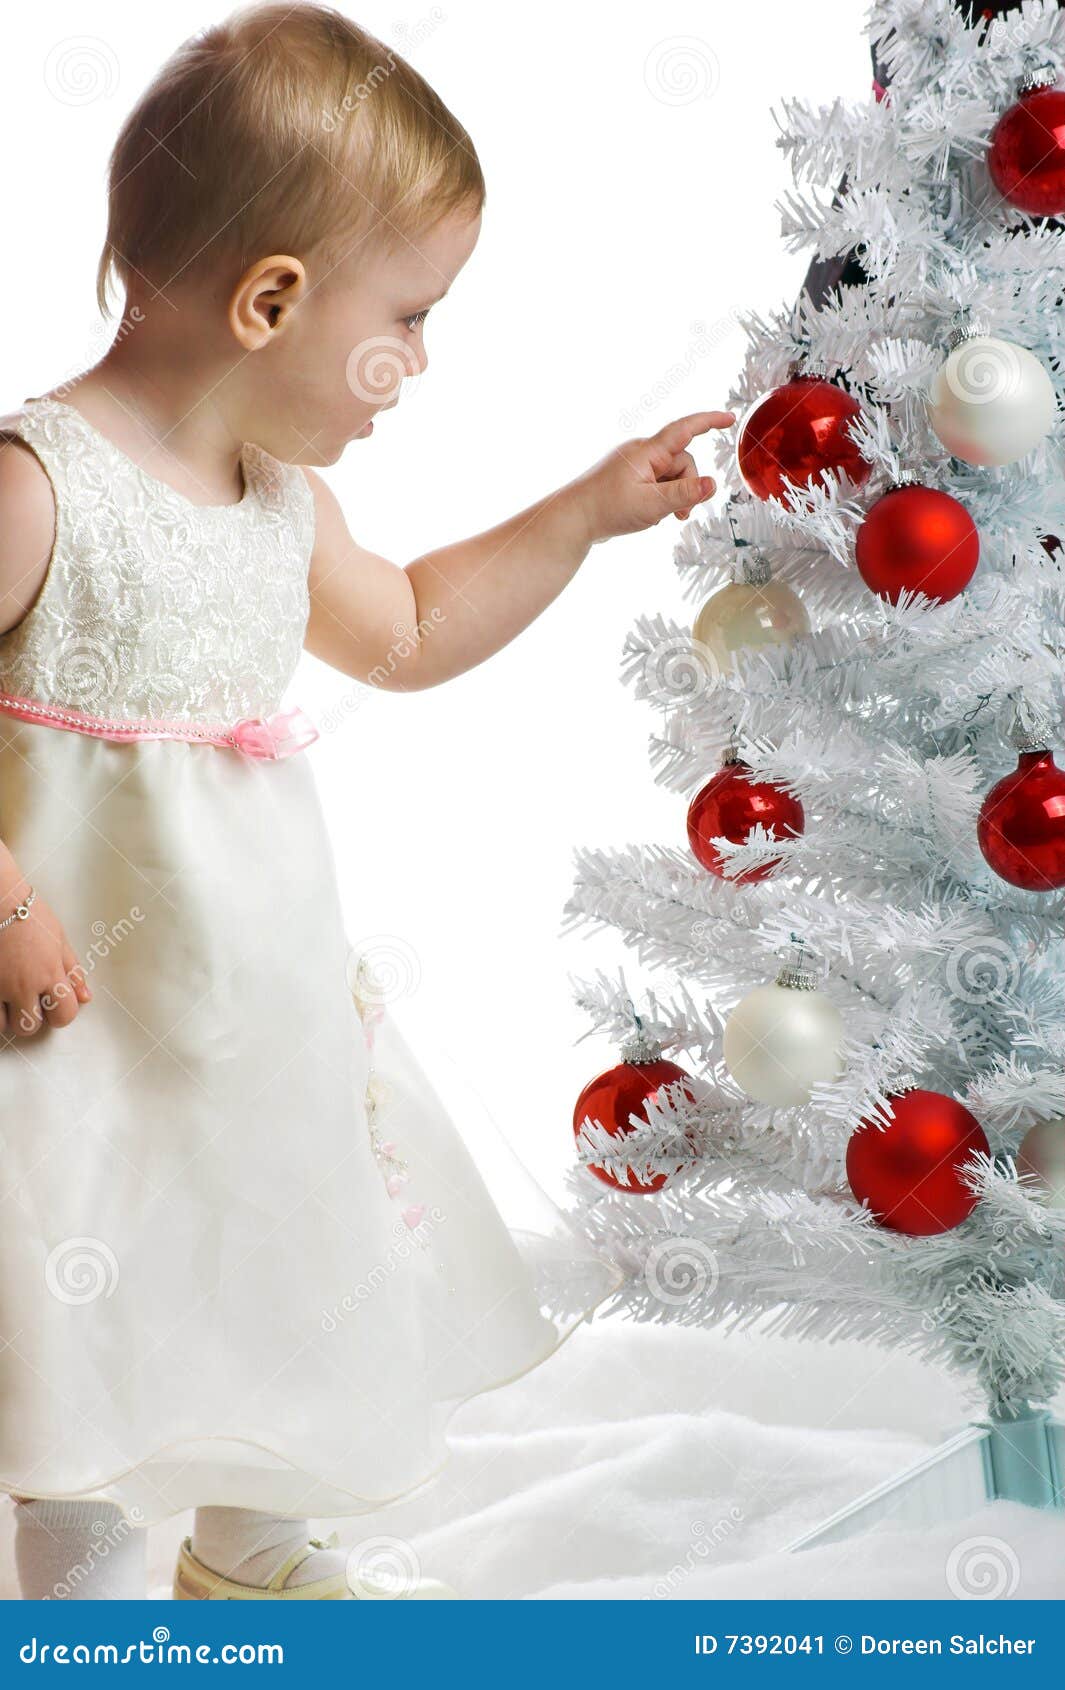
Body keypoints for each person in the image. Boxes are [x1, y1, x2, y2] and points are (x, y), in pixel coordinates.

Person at [0, 1, 733, 1600]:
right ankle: (78, 1588)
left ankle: (256, 1551)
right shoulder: (37, 484)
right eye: (409, 313)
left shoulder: (281, 501)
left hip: (246, 1018)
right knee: (88, 1296)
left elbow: (404, 628)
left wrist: (585, 510)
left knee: (261, 1257)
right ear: (272, 299)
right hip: (71, 1020)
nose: (423, 359)